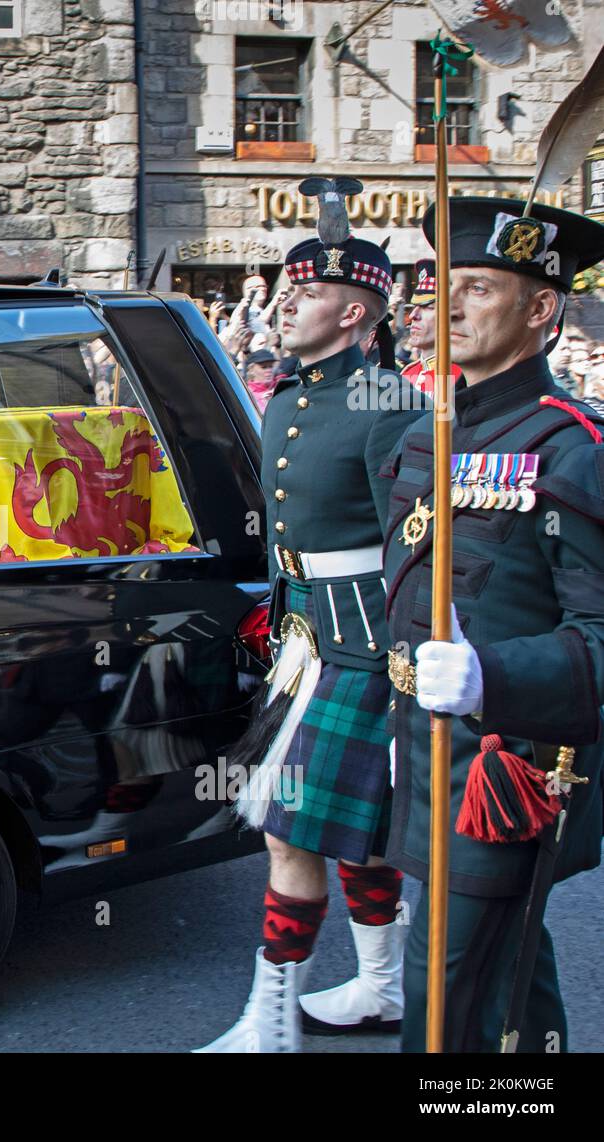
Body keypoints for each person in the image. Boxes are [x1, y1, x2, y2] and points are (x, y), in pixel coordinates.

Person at [196, 180, 425, 1053]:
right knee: (354, 841)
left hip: (368, 649)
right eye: (287, 286)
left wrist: (409, 672)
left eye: (312, 291)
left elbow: (414, 551)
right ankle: (377, 987)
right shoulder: (288, 398)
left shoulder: (389, 403)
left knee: (288, 831)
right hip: (308, 643)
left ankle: (273, 1023)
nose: (288, 300)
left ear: (358, 312)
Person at [380, 197, 604, 1053]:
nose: (449, 308)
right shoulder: (421, 440)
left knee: (444, 1002)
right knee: (506, 979)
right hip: (422, 753)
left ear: (541, 309)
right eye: (443, 287)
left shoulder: (572, 448)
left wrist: (492, 678)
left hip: (507, 775)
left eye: (477, 288)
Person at [400, 260, 463, 397]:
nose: (413, 315)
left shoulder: (464, 376)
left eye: (428, 307)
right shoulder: (407, 373)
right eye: (414, 307)